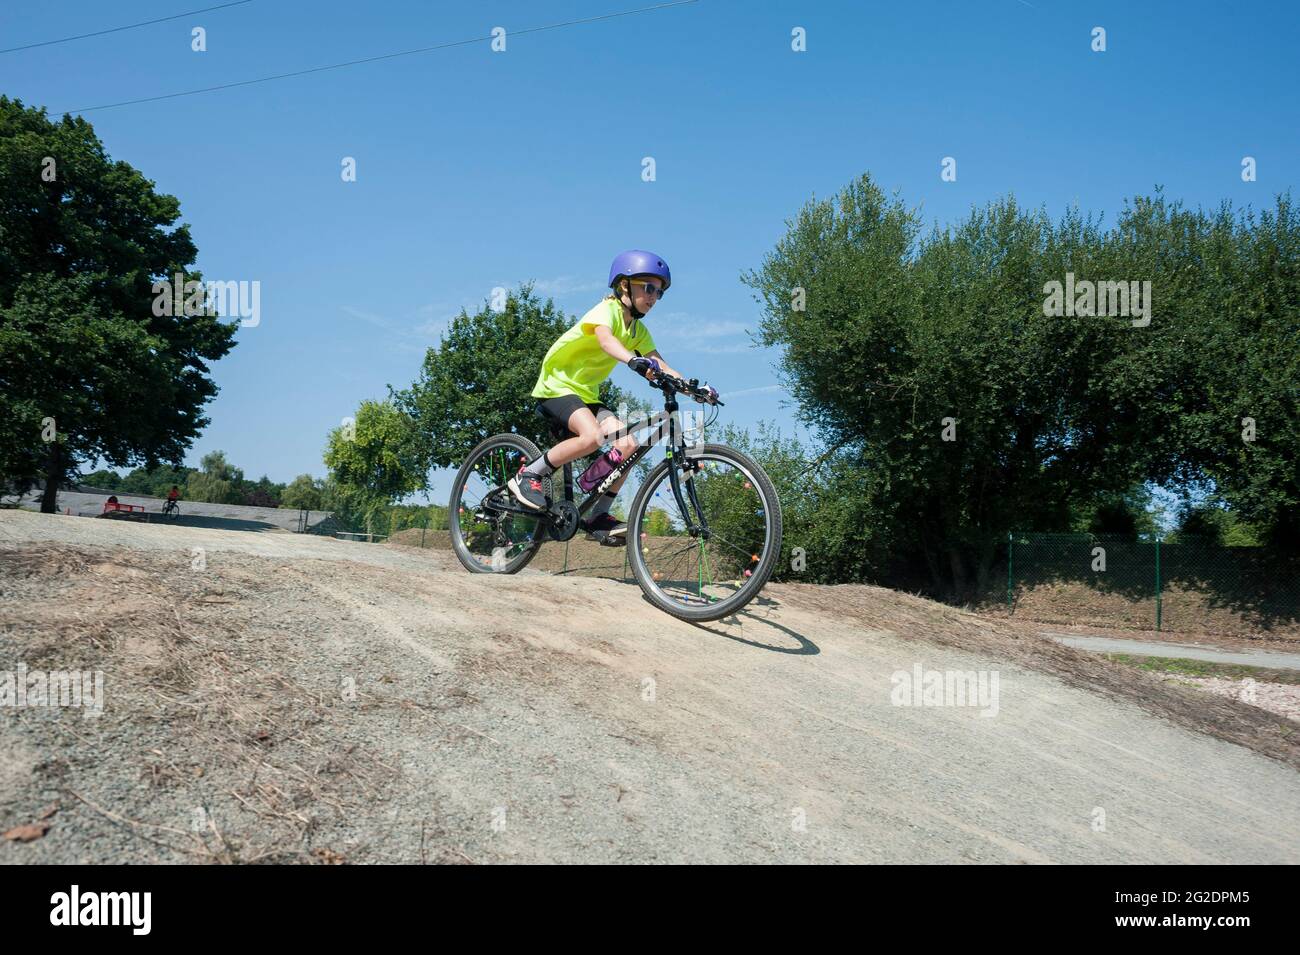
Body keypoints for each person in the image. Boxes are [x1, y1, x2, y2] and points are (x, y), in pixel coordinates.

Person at [509, 250, 714, 546]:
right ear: (624, 286)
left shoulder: (638, 330)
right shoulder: (607, 311)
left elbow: (661, 364)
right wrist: (632, 361)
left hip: (586, 395)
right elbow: (606, 340)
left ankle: (599, 516)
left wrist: (695, 389)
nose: (654, 296)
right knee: (592, 437)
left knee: (628, 443)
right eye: (648, 287)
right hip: (557, 385)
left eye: (659, 291)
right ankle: (528, 476)